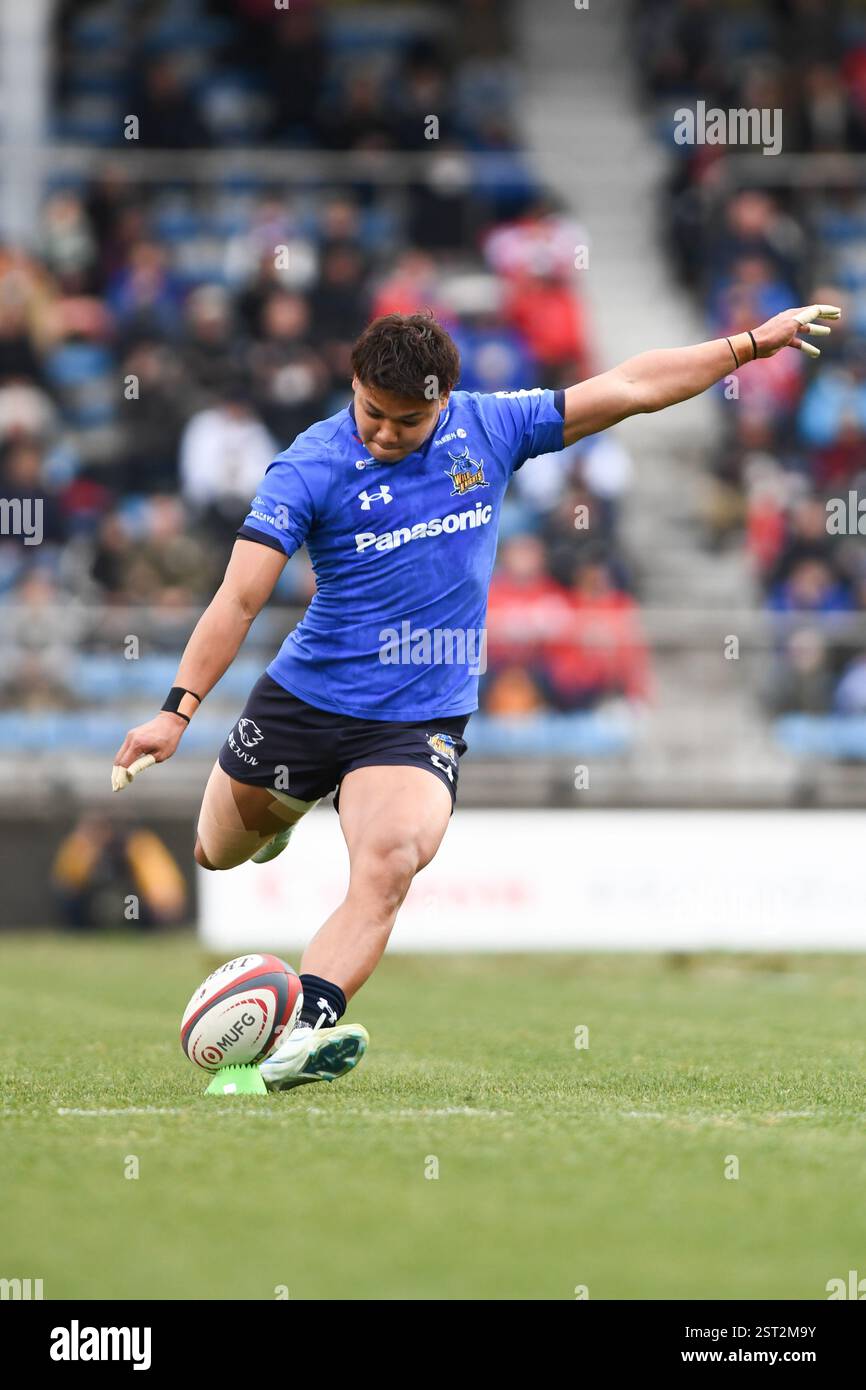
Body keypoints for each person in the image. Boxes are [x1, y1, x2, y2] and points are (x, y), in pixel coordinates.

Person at [111, 304, 840, 1091]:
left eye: (409, 421)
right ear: (351, 387)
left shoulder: (491, 429)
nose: (386, 434)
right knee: (216, 853)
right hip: (306, 702)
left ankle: (303, 1031)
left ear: (445, 402)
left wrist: (747, 346)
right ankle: (283, 817)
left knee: (390, 863)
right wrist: (176, 710)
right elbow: (238, 601)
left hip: (416, 719)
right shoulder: (307, 465)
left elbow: (631, 385)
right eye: (372, 414)